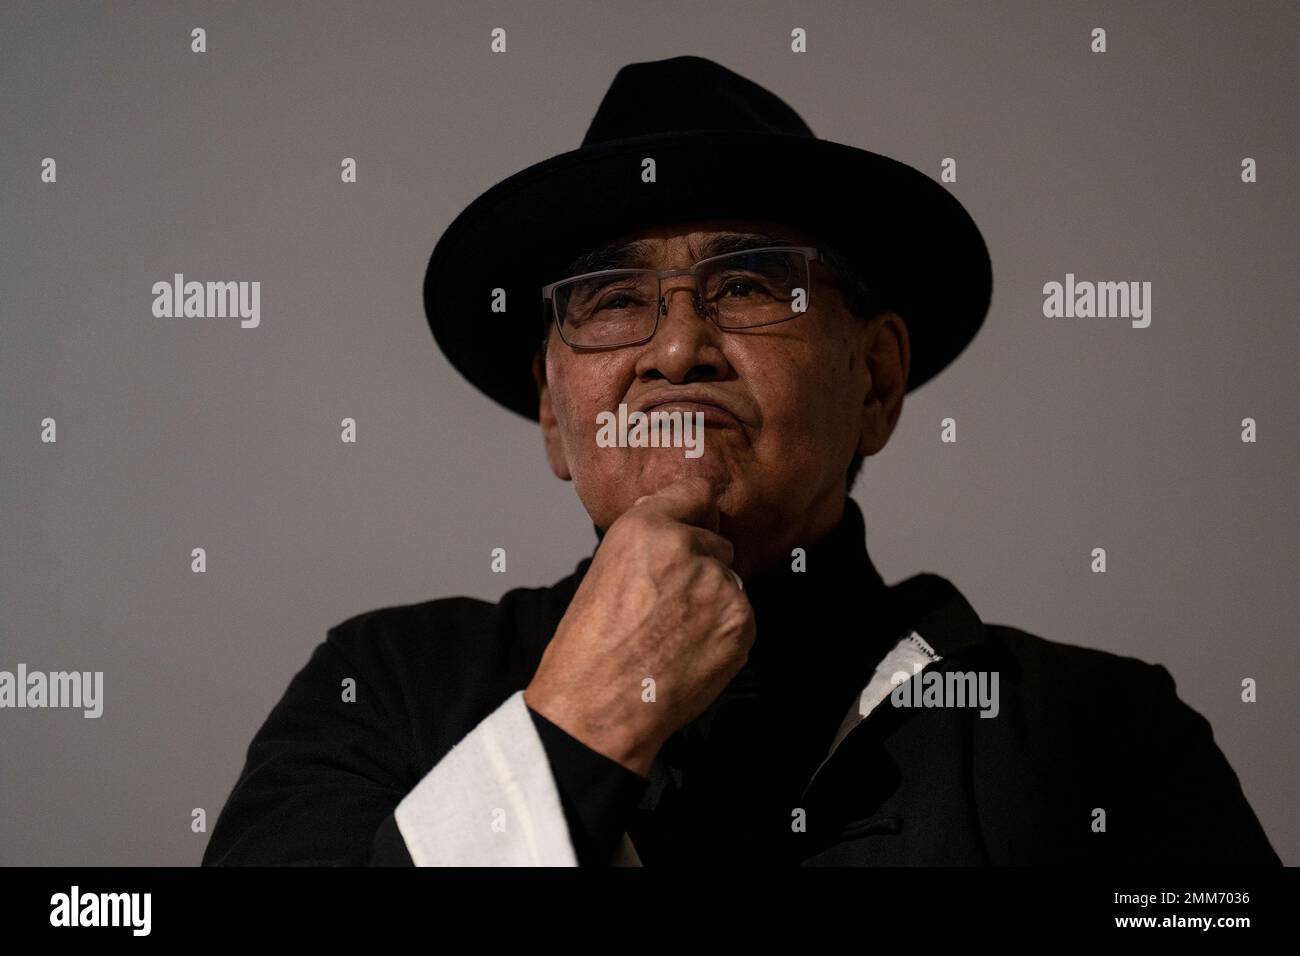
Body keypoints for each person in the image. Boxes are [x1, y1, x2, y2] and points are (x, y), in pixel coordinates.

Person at [202, 55, 1279, 866]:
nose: (676, 347)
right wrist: (582, 722)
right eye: (614, 300)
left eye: (753, 284)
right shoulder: (385, 687)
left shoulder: (1101, 730)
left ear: (875, 379)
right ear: (551, 410)